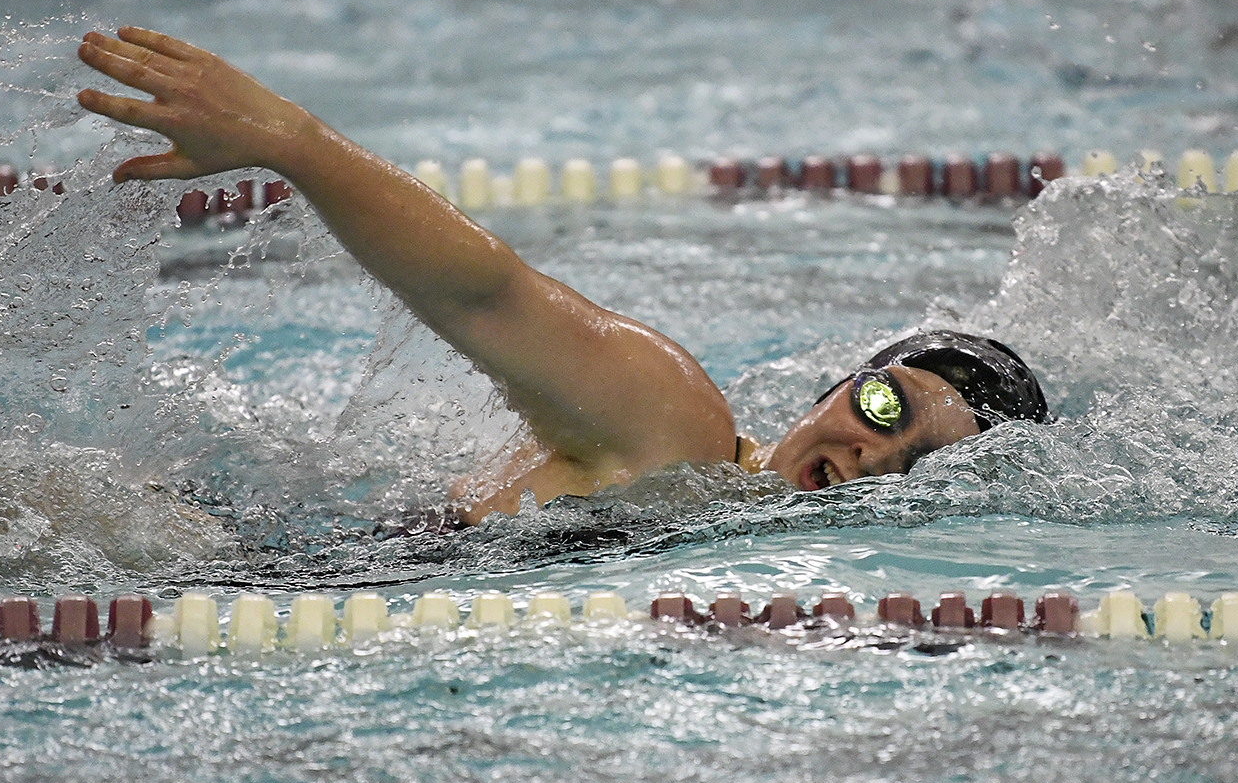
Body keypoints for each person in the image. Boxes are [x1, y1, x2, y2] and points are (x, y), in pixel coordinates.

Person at [76, 26, 1049, 525]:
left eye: (924, 467)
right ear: (842, 385)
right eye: (885, 409)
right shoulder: (675, 426)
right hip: (238, 575)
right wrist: (291, 140)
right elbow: (486, 293)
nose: (877, 457)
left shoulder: (724, 515)